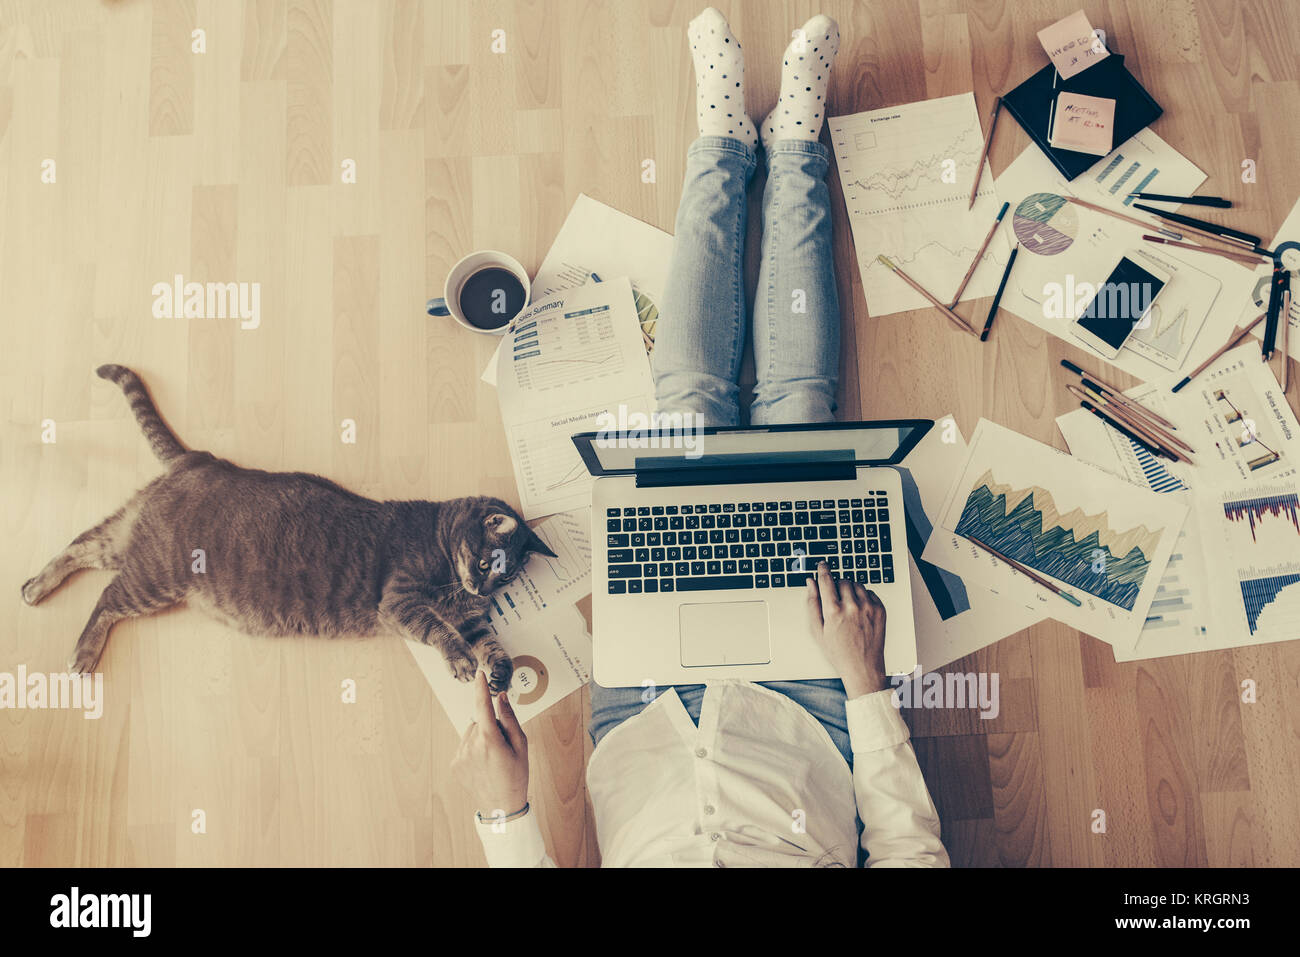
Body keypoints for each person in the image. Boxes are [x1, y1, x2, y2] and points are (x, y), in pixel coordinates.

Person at [452, 8, 949, 868]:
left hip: (644, 711)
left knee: (688, 403)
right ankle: (797, 145)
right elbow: (909, 849)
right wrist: (864, 684)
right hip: (810, 701)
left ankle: (719, 142)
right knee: (797, 405)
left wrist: (505, 815)